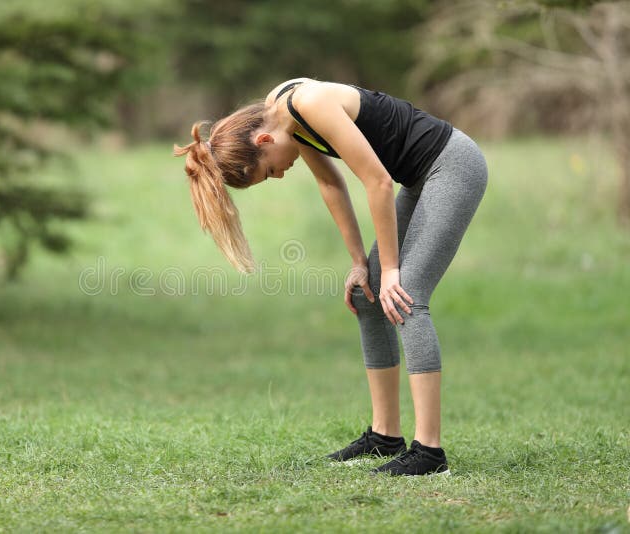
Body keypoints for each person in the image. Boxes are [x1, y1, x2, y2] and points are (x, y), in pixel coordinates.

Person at [174, 77, 487, 476]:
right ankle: (385, 435)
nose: (281, 175)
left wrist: (390, 270)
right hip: (419, 178)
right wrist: (361, 264)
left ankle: (429, 453)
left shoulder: (308, 103)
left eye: (269, 172)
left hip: (452, 166)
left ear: (265, 142)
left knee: (404, 295)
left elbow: (377, 181)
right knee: (367, 295)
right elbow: (329, 181)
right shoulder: (282, 114)